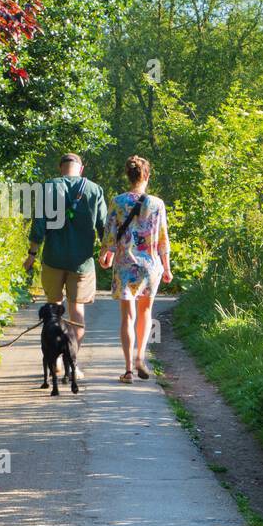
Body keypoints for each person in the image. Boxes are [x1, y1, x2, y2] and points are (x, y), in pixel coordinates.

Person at [24, 153, 107, 375]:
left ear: (61, 168)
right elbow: (104, 227)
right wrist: (106, 253)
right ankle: (73, 363)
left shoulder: (48, 187)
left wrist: (32, 253)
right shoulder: (94, 189)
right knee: (77, 312)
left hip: (53, 258)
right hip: (82, 262)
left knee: (54, 311)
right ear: (81, 168)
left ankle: (56, 362)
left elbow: (38, 224)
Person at [99, 155, 172, 383]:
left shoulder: (118, 201)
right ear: (147, 176)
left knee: (127, 317)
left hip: (124, 265)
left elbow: (110, 232)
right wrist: (167, 268)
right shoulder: (157, 203)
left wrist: (105, 254)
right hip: (150, 266)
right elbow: (163, 238)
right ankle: (141, 357)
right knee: (145, 313)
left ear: (128, 176)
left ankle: (128, 369)